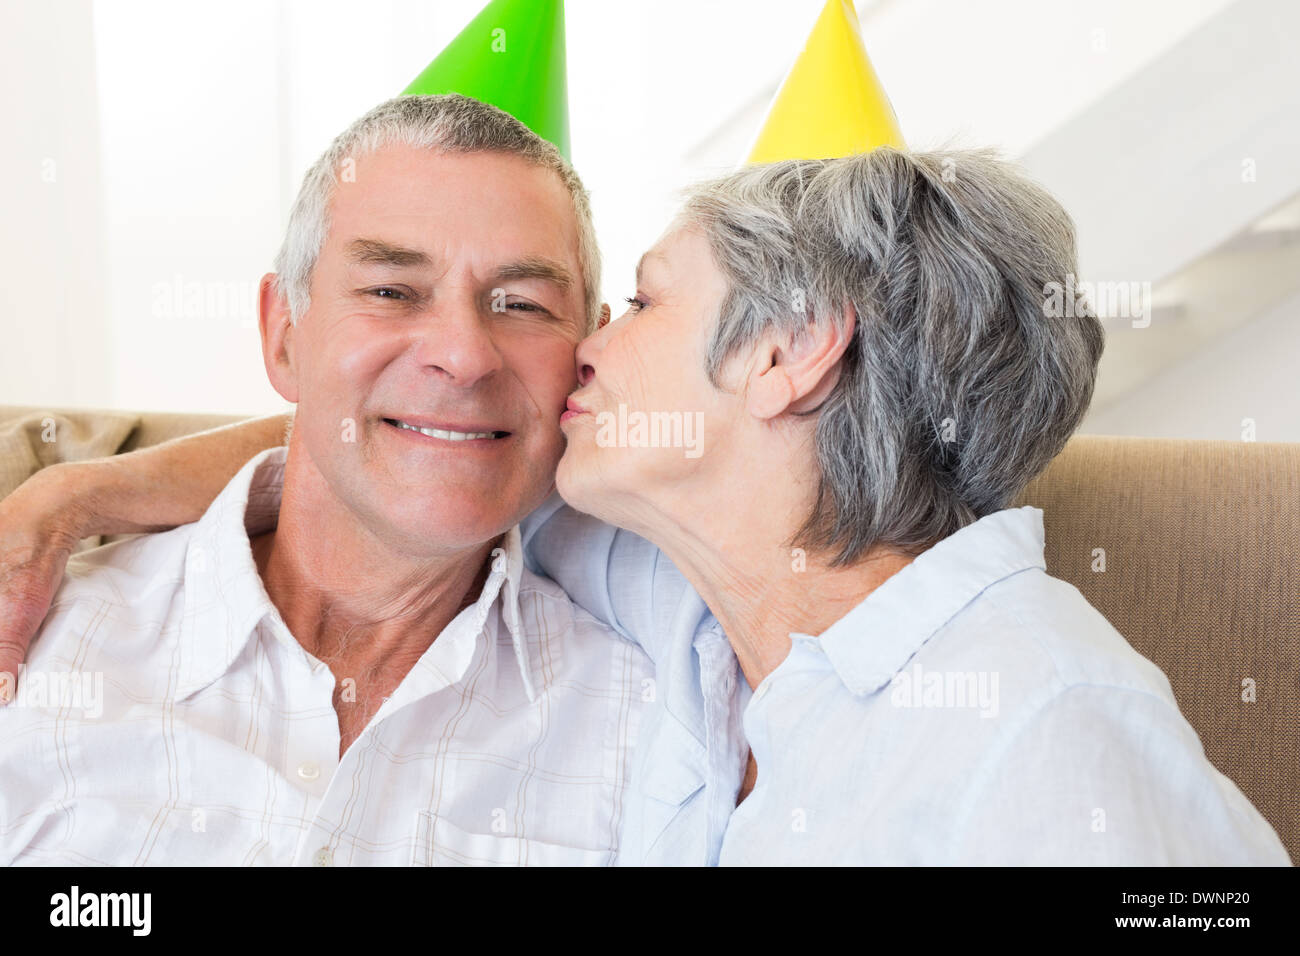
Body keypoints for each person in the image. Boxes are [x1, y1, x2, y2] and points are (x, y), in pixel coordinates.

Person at [2, 145, 1290, 866]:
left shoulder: (1044, 710)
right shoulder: (677, 594)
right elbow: (404, 441)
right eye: (394, 293)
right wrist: (76, 489)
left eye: (644, 301)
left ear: (792, 353)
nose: (584, 352)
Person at [0, 93, 652, 866]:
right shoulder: (42, 646)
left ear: (591, 357)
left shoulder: (653, 724)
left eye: (523, 303)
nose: (464, 354)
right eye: (390, 291)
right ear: (283, 336)